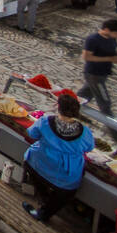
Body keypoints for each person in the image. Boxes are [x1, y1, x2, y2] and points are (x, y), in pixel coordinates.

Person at [23, 94, 94, 224]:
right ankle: (46, 211)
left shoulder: (45, 121)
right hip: (66, 176)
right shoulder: (85, 132)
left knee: (27, 161)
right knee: (67, 192)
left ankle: (44, 201)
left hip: (39, 164)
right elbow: (89, 147)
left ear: (58, 107)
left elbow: (31, 133)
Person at [78, 19, 117, 116]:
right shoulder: (93, 40)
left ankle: (73, 110)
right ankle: (111, 125)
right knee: (104, 100)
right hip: (94, 74)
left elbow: (112, 50)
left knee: (85, 94)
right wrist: (110, 58)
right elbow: (86, 56)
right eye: (116, 33)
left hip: (103, 72)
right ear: (107, 30)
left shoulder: (111, 38)